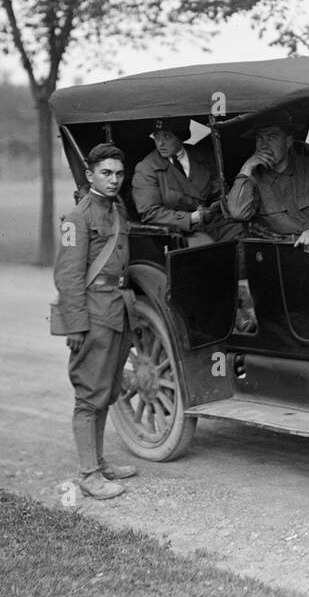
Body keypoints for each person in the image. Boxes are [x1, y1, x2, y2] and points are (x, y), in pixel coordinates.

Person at [53, 142, 139, 499]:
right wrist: (75, 325)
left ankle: (99, 463)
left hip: (116, 309)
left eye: (119, 174)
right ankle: (88, 475)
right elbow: (68, 277)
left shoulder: (115, 209)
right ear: (90, 175)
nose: (114, 180)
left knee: (106, 390)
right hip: (92, 314)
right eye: (106, 173)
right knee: (89, 394)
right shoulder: (78, 218)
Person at [225, 109, 309, 250]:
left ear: (288, 141)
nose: (264, 145)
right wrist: (246, 168)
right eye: (259, 139)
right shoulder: (253, 177)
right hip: (275, 254)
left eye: (272, 137)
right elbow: (237, 213)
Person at [131, 118, 240, 242]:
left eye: (167, 136)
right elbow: (150, 213)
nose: (160, 143)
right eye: (156, 136)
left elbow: (219, 193)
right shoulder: (147, 168)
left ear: (181, 137)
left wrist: (216, 206)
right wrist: (191, 218)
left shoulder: (202, 156)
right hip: (178, 232)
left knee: (244, 234)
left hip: (212, 224)